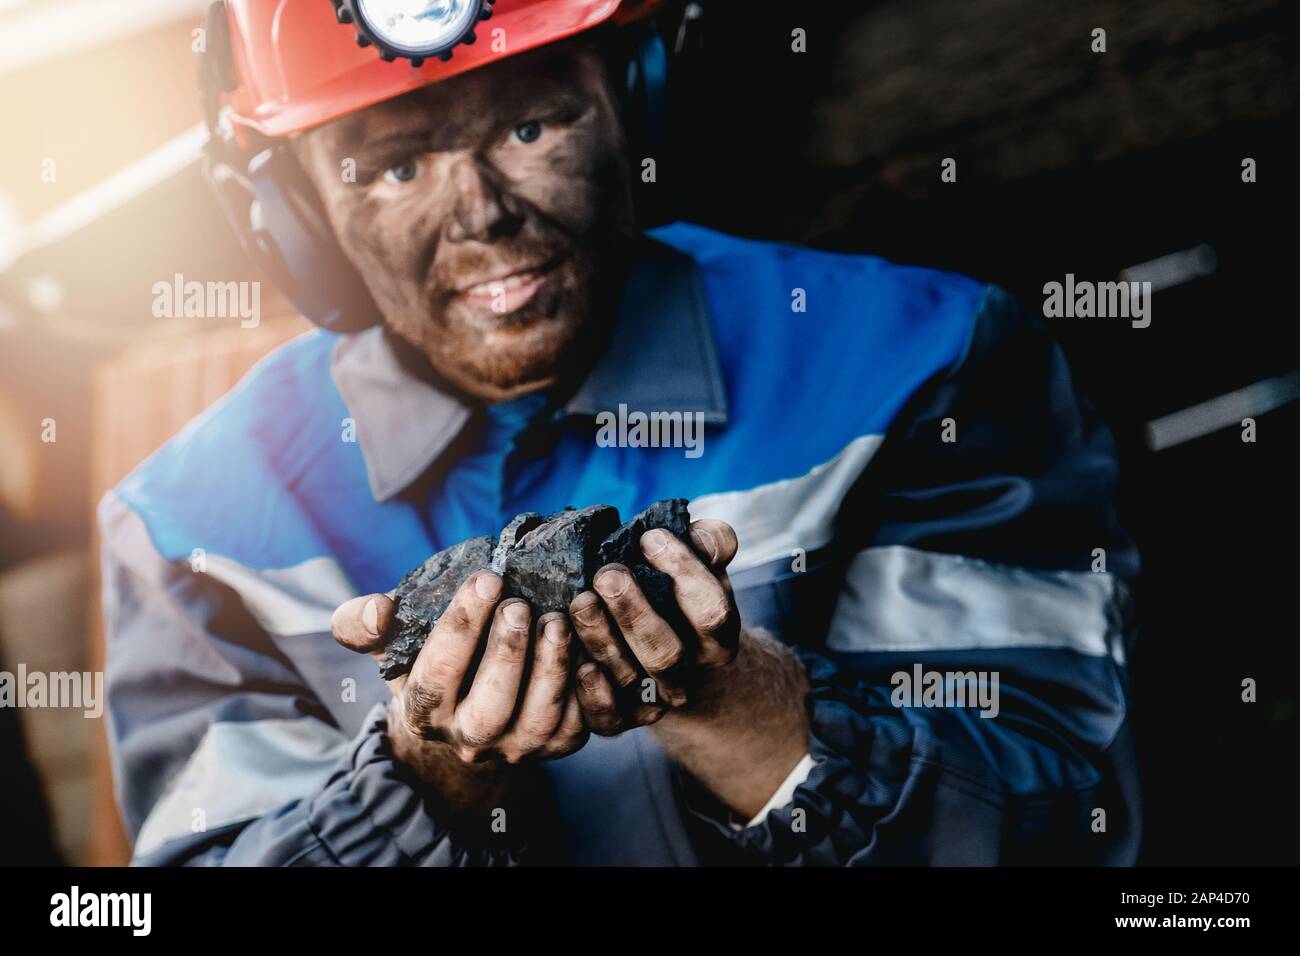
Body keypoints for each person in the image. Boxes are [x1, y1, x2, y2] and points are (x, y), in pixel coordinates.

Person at [100, 0, 1140, 865]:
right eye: (394, 166)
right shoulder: (190, 527)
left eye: (529, 126)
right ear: (291, 214)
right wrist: (426, 779)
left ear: (634, 99)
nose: (482, 216)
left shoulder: (918, 361)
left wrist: (742, 702)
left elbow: (1069, 828)